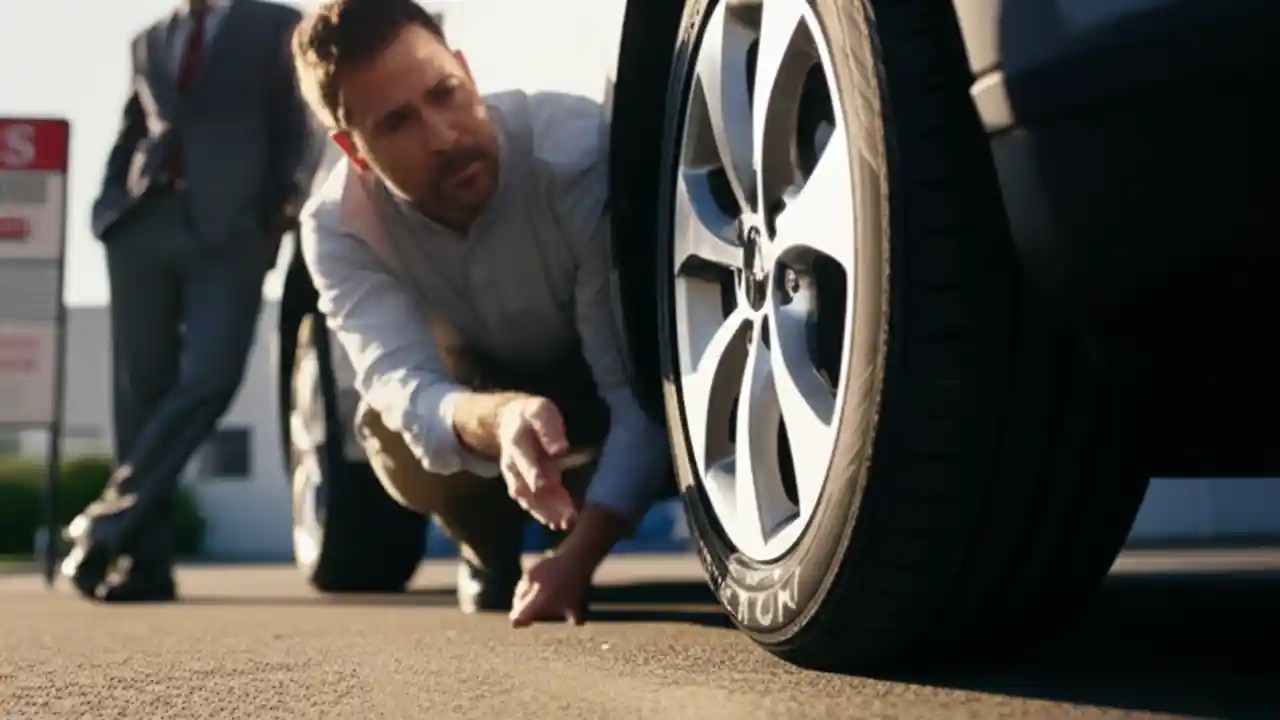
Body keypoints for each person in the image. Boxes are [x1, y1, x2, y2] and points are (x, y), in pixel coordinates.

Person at [290, 0, 671, 626]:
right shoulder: (338, 229)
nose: (443, 137)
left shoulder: (573, 155)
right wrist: (500, 417)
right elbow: (399, 383)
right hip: (482, 396)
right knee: (387, 434)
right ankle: (490, 550)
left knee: (655, 390)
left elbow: (639, 395)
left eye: (445, 93)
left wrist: (576, 563)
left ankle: (563, 533)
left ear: (465, 69)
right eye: (397, 124)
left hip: (597, 389)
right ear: (353, 151)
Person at [61, 0, 322, 602]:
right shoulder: (149, 39)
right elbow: (132, 130)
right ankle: (144, 566)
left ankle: (107, 519)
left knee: (212, 374)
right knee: (140, 393)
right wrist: (108, 212)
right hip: (143, 225)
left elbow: (297, 124)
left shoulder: (274, 24)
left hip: (231, 232)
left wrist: (275, 218)